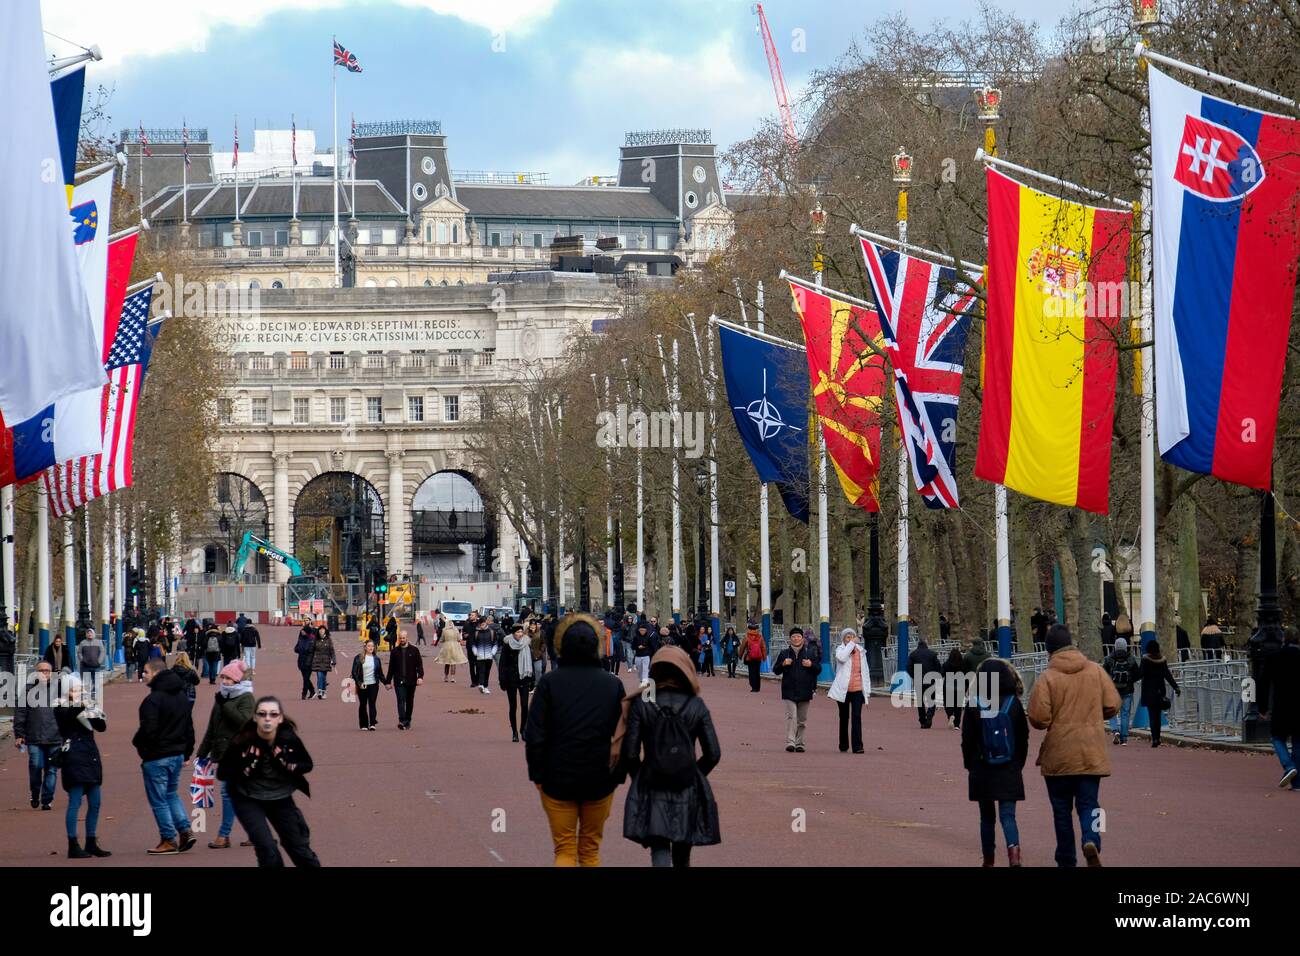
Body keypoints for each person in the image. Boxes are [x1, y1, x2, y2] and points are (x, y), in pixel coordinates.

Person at [525, 614, 626, 867]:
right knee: (590, 850)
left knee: (565, 850)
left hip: (557, 775)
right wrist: (618, 775)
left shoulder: (549, 683)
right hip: (600, 776)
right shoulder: (612, 685)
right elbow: (626, 735)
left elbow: (535, 734)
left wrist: (537, 776)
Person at [1026, 624, 1121, 867]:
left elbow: (1038, 718)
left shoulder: (1048, 677)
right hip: (1091, 752)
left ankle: (1066, 859)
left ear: (1049, 650)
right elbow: (1112, 704)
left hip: (1059, 755)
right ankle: (1092, 840)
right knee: (1091, 805)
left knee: (1061, 812)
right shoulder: (1095, 671)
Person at [621, 645, 721, 867]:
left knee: (659, 845)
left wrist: (641, 776)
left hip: (652, 782)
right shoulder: (696, 704)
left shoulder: (643, 702)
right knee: (683, 851)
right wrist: (694, 773)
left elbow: (630, 752)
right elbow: (713, 753)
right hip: (687, 784)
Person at [217, 696, 321, 867]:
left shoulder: (288, 739)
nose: (267, 718)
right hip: (247, 797)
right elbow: (222, 772)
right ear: (255, 717)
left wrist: (288, 764)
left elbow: (307, 764)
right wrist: (245, 767)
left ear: (280, 718)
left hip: (280, 798)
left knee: (299, 849)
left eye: (273, 714)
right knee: (267, 849)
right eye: (262, 714)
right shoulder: (242, 740)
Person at [961, 658, 1029, 867]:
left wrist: (970, 765)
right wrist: (1018, 764)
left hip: (982, 767)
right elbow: (1023, 737)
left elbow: (967, 740)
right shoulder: (1013, 703)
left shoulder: (974, 703)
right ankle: (1014, 853)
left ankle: (989, 859)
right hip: (1008, 767)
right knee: (1008, 816)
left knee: (987, 818)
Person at [133, 658, 197, 855]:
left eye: (145, 671)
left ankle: (168, 838)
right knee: (171, 794)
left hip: (157, 756)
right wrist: (186, 752)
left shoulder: (152, 700)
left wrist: (141, 747)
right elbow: (189, 728)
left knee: (159, 799)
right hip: (177, 753)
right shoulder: (181, 697)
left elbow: (148, 731)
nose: (143, 675)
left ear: (155, 674)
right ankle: (185, 830)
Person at [197, 660, 255, 849]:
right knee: (240, 795)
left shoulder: (246, 697)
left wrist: (226, 705)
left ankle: (224, 835)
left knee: (228, 793)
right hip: (222, 753)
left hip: (238, 753)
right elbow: (212, 727)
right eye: (223, 677)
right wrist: (202, 752)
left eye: (228, 678)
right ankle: (254, 832)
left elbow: (244, 722)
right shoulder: (221, 696)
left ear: (237, 680)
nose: (224, 681)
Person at [55, 676, 112, 859]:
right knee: (75, 802)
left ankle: (91, 841)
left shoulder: (87, 705)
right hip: (73, 757)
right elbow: (67, 721)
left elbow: (101, 727)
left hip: (90, 756)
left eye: (81, 689)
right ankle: (73, 844)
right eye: (74, 689)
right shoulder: (60, 706)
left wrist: (93, 710)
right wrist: (82, 704)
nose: (79, 692)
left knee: (96, 802)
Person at [15, 660, 61, 811]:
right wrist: (19, 734)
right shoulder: (28, 690)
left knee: (51, 769)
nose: (44, 673)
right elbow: (20, 713)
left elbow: (67, 713)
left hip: (55, 736)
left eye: (47, 670)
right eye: (41, 670)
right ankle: (35, 793)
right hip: (34, 736)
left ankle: (47, 799)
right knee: (36, 765)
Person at [1262, 629, 1300, 790]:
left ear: (1284, 639)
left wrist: (1262, 707)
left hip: (1282, 705)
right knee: (1298, 742)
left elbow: (1264, 683)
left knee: (1277, 738)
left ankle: (1288, 765)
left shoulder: (1274, 657)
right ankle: (1298, 783)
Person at [772, 626, 818, 753]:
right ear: (790, 639)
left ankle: (800, 743)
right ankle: (791, 742)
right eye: (793, 637)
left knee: (802, 720)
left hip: (805, 690)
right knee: (792, 716)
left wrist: (811, 665)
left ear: (802, 639)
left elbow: (818, 669)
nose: (796, 639)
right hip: (789, 690)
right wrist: (783, 664)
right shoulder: (784, 654)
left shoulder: (809, 653)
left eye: (798, 636)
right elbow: (775, 670)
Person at [828, 627, 869, 754]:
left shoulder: (861, 652)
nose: (850, 639)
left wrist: (866, 690)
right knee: (844, 717)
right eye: (847, 637)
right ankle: (843, 744)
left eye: (852, 637)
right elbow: (842, 658)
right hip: (843, 690)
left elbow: (865, 671)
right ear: (844, 639)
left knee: (857, 717)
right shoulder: (840, 650)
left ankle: (858, 746)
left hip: (857, 688)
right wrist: (851, 644)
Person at [1138, 640, 1180, 748]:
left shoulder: (1145, 660)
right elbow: (1167, 675)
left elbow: (1140, 673)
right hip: (1160, 691)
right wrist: (1175, 687)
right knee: (1158, 715)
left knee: (1152, 715)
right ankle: (1158, 737)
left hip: (1148, 690)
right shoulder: (1162, 660)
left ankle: (1154, 739)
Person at [500, 624, 535, 742]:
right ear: (513, 633)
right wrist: (502, 679)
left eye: (521, 632)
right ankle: (514, 731)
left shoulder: (527, 643)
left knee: (525, 705)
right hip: (511, 678)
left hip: (524, 677)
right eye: (518, 632)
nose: (520, 634)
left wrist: (532, 679)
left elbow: (531, 661)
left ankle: (523, 730)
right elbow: (502, 663)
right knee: (513, 706)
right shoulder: (507, 645)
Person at [1103, 637, 1141, 745]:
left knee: (1112, 712)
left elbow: (1103, 673)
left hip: (1112, 690)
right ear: (1125, 646)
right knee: (1125, 713)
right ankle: (1124, 738)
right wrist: (1130, 680)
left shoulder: (1109, 659)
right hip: (1127, 690)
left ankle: (1115, 731)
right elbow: (1137, 674)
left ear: (1115, 646)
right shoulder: (1131, 659)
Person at [388, 629, 424, 730]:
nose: (402, 639)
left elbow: (419, 665)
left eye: (403, 638)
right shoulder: (394, 651)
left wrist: (420, 677)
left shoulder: (414, 650)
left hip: (411, 680)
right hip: (398, 680)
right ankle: (402, 720)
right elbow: (391, 667)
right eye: (400, 638)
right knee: (400, 700)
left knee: (409, 701)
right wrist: (387, 681)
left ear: (407, 638)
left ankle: (408, 720)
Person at [350, 639, 388, 731]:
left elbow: (380, 673)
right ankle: (363, 724)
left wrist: (386, 683)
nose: (371, 648)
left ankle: (372, 723)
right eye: (369, 646)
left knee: (372, 703)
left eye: (372, 646)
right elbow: (354, 672)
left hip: (373, 684)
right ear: (365, 647)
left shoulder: (376, 659)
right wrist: (359, 683)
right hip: (362, 684)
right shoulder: (358, 658)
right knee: (363, 704)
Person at [908, 639, 942, 729]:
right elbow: (938, 666)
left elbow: (908, 667)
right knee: (931, 699)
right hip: (930, 678)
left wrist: (914, 675)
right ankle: (930, 714)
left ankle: (922, 720)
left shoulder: (913, 654)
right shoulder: (932, 654)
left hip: (918, 678)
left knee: (920, 701)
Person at [941, 647, 967, 729]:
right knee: (958, 706)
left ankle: (950, 715)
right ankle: (957, 725)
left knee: (948, 704)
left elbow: (941, 674)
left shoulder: (946, 664)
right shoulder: (963, 664)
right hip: (960, 687)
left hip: (948, 686)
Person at [472, 617, 499, 694]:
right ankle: (481, 684)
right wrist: (475, 652)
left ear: (486, 623)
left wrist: (492, 653)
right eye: (480, 625)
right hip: (480, 656)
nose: (481, 626)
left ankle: (486, 686)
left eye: (483, 624)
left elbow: (495, 644)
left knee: (487, 671)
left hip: (489, 656)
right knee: (481, 670)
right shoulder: (476, 633)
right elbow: (473, 644)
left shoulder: (492, 632)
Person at [311, 625, 337, 699]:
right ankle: (320, 691)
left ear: (325, 631)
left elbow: (332, 651)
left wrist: (334, 660)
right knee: (319, 675)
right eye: (320, 630)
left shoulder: (328, 639)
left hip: (326, 660)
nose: (321, 631)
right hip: (317, 660)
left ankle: (324, 691)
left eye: (323, 630)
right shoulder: (315, 640)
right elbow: (312, 650)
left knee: (323, 677)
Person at [740, 623, 766, 693]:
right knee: (757, 672)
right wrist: (764, 657)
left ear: (749, 629)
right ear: (756, 629)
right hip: (758, 658)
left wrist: (740, 655)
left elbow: (742, 647)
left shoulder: (747, 637)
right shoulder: (760, 637)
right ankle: (757, 687)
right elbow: (763, 647)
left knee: (752, 672)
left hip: (750, 657)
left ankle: (753, 687)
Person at [293, 623, 317, 700]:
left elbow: (312, 650)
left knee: (306, 678)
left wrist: (305, 651)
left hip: (309, 662)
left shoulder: (312, 640)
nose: (301, 631)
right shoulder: (300, 639)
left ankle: (304, 693)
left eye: (303, 630)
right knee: (305, 678)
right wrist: (299, 649)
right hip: (301, 661)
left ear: (306, 631)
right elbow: (296, 649)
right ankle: (312, 690)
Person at [631, 620, 657, 685]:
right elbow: (633, 647)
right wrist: (638, 647)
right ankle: (641, 680)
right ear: (639, 630)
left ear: (646, 631)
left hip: (646, 655)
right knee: (640, 670)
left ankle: (644, 681)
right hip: (638, 656)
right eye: (641, 630)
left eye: (644, 630)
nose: (642, 632)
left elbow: (651, 646)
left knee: (645, 669)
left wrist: (650, 651)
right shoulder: (635, 637)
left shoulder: (649, 637)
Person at [528, 618, 547, 682]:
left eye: (534, 624)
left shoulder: (540, 632)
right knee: (530, 672)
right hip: (528, 655)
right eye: (531, 624)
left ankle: (537, 685)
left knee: (538, 670)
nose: (533, 626)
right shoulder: (526, 633)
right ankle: (532, 685)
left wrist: (541, 651)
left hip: (537, 655)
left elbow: (544, 643)